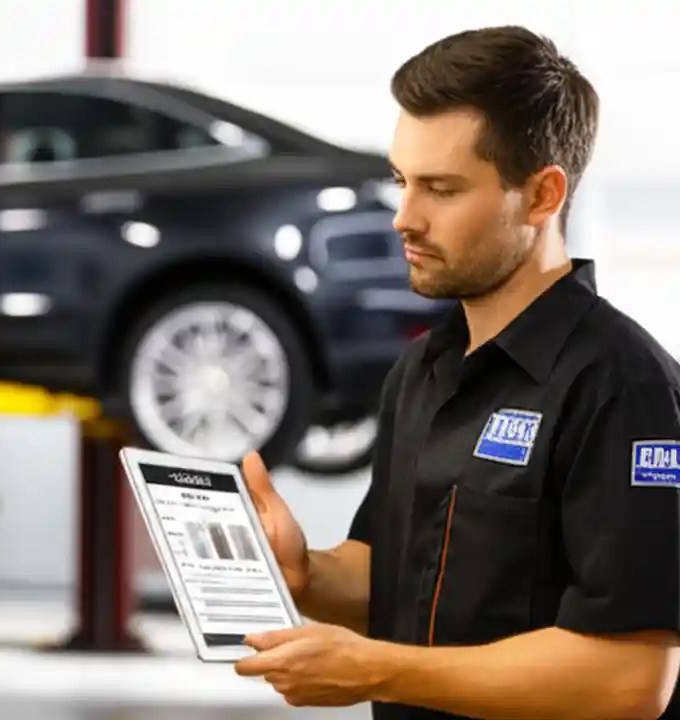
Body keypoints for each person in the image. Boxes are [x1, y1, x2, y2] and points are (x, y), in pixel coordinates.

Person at [235, 25, 680, 719]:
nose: (404, 218)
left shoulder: (623, 388)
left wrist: (380, 670)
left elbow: (629, 677)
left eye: (440, 189)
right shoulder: (422, 370)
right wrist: (307, 573)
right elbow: (400, 573)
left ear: (541, 196)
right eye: (401, 181)